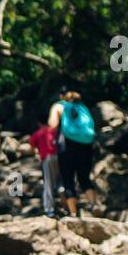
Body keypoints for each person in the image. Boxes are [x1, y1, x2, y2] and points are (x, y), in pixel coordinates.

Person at [48, 86, 97, 217]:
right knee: (84, 178)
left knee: (68, 179)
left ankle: (74, 213)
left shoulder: (59, 106)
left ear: (61, 96)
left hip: (66, 146)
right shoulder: (82, 107)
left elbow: (52, 124)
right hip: (86, 145)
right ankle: (94, 204)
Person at [27, 114, 60, 218]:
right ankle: (66, 202)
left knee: (48, 183)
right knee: (61, 181)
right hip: (59, 157)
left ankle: (49, 209)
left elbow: (31, 149)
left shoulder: (38, 133)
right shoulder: (54, 131)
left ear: (39, 123)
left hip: (47, 158)